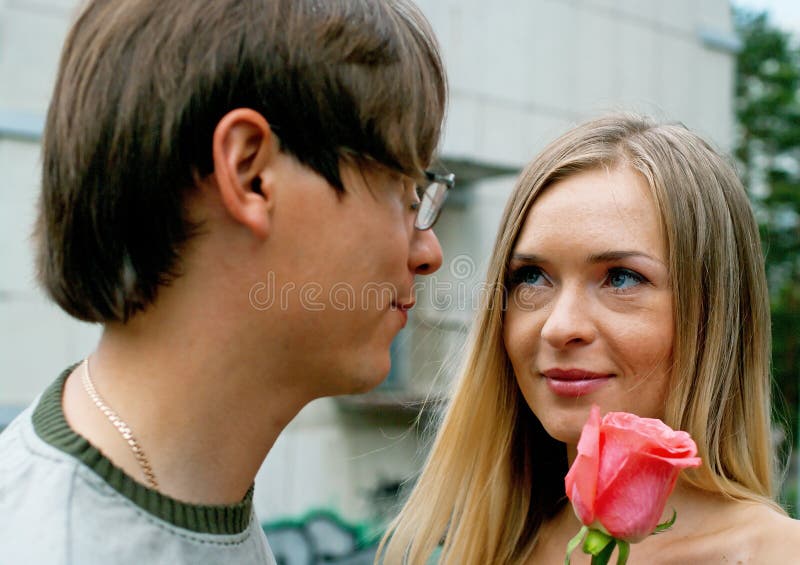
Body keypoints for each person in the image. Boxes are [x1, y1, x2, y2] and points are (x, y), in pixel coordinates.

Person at [0, 1, 451, 563]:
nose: (429, 252)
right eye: (404, 191)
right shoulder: (56, 547)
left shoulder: (183, 499)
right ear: (251, 174)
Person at [379, 114, 800, 564]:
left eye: (621, 278)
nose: (558, 327)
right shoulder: (471, 552)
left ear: (713, 315)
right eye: (532, 277)